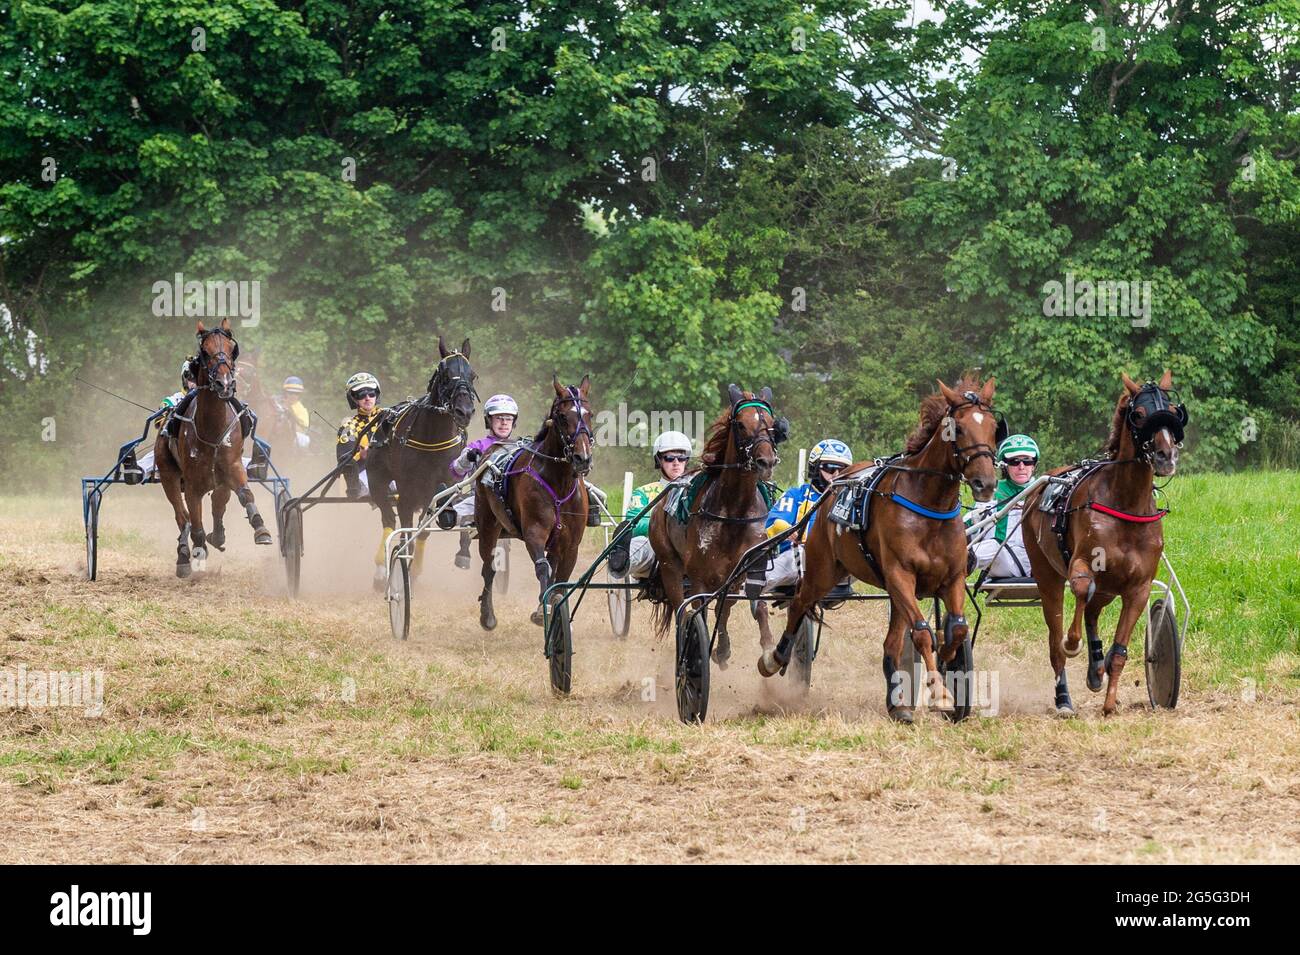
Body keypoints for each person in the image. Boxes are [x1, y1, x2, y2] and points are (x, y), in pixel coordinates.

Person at [761, 439, 853, 589]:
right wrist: (789, 531)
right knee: (763, 577)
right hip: (795, 557)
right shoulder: (797, 495)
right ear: (814, 469)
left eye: (842, 470)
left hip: (836, 560)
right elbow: (774, 523)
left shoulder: (849, 500)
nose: (836, 475)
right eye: (830, 468)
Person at [607, 431, 693, 578]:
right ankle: (622, 559)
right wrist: (665, 530)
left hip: (691, 549)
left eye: (681, 457)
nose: (676, 462)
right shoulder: (643, 492)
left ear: (686, 460)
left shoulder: (696, 491)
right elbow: (632, 525)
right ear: (659, 460)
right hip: (655, 551)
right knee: (641, 542)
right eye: (669, 458)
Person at [449, 393, 519, 569]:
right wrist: (468, 457)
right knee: (453, 516)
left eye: (508, 418)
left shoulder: (521, 447)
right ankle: (464, 546)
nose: (504, 423)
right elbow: (456, 471)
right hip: (479, 499)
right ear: (489, 421)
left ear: (514, 422)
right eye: (499, 418)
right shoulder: (477, 446)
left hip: (513, 501)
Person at [966, 434, 1040, 578]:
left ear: (1034, 465)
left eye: (1027, 461)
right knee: (993, 545)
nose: (1021, 466)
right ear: (1004, 465)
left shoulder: (1046, 489)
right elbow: (967, 527)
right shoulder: (992, 491)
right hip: (1001, 560)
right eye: (1014, 461)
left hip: (1039, 561)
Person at [131, 359, 197, 479]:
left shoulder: (210, 402)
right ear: (184, 378)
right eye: (190, 377)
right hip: (177, 443)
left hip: (202, 444)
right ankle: (140, 469)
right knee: (161, 450)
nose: (194, 382)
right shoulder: (172, 400)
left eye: (197, 378)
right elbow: (158, 423)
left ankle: (243, 466)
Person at [336, 372, 384, 500]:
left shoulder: (390, 417)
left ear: (376, 395)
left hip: (394, 470)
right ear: (354, 399)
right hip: (366, 473)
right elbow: (344, 459)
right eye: (362, 394)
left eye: (371, 393)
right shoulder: (348, 427)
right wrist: (361, 455)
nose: (367, 398)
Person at [275, 376, 312, 449]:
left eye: (296, 393)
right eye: (290, 393)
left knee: (305, 440)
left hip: (294, 437)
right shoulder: (277, 404)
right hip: (276, 435)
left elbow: (302, 429)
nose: (293, 396)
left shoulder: (301, 409)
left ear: (299, 395)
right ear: (285, 393)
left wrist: (289, 409)